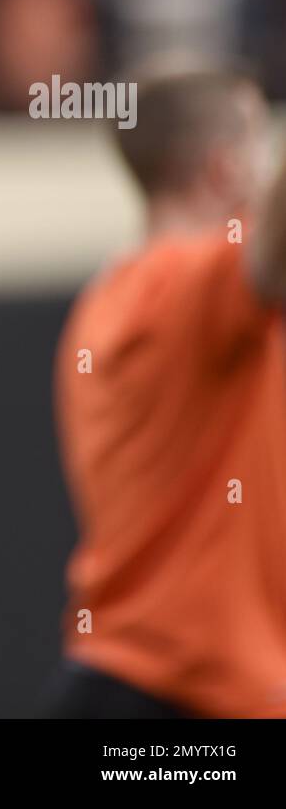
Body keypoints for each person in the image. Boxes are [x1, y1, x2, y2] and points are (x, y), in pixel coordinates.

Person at [51, 65, 286, 718]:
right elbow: (272, 250)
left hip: (123, 686)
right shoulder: (180, 284)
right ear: (223, 170)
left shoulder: (112, 296)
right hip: (188, 696)